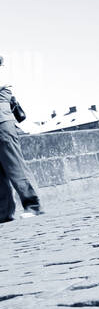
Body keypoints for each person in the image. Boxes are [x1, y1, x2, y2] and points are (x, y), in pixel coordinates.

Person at [0, 56, 43, 221]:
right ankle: (4, 211)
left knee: (15, 166)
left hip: (2, 124)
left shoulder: (2, 74)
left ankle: (33, 205)